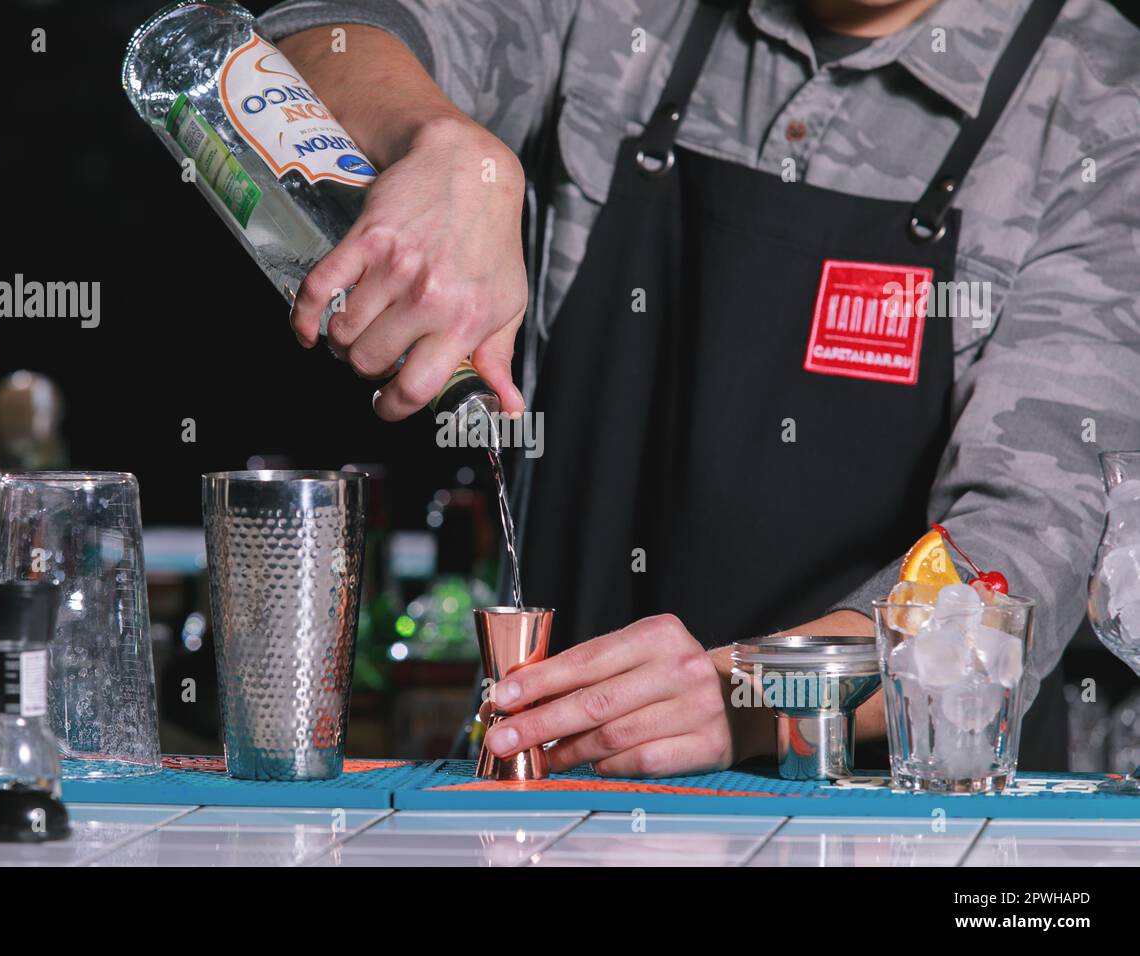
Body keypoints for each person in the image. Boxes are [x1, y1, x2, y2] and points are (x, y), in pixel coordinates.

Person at [260, 0, 1140, 775]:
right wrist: (443, 144)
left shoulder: (1103, 103)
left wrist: (747, 691)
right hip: (565, 797)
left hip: (911, 825)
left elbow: (1015, 567)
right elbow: (308, 45)